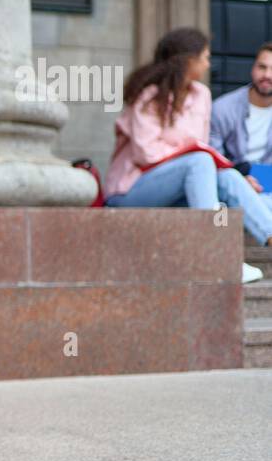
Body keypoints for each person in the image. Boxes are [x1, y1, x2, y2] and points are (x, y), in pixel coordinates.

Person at [104, 27, 272, 282]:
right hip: (132, 190)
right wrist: (190, 154)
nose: (208, 64)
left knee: (227, 178)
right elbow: (146, 153)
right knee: (201, 161)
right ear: (187, 60)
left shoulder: (201, 96)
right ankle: (218, 259)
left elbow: (201, 150)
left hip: (179, 186)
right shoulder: (149, 95)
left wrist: (218, 170)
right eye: (204, 57)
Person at [210, 41, 272, 218]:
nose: (267, 75)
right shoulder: (223, 108)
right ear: (253, 68)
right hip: (233, 186)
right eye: (262, 67)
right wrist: (242, 182)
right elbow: (213, 161)